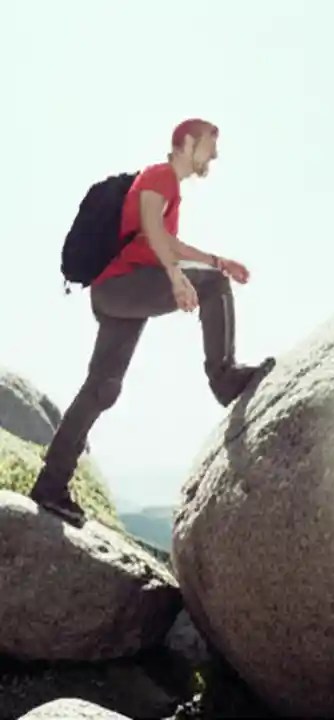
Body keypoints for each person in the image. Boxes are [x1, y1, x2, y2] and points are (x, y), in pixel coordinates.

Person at [29, 118, 274, 527]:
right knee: (212, 288)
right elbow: (152, 230)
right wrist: (180, 279)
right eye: (211, 145)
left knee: (102, 388)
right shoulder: (160, 176)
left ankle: (50, 485)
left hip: (121, 294)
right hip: (123, 288)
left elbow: (167, 243)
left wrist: (216, 260)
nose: (214, 155)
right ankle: (225, 377)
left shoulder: (164, 187)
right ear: (188, 142)